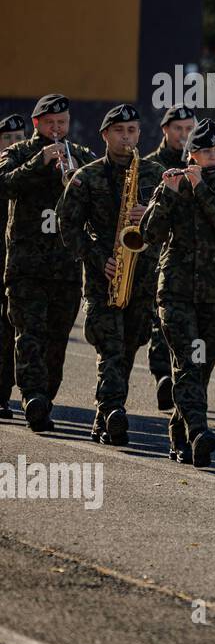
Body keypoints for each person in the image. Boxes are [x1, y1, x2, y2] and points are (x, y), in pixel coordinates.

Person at [140, 118, 215, 467]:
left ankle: (179, 432)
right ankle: (200, 430)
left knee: (199, 368)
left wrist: (201, 188)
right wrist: (169, 196)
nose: (214, 157)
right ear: (192, 154)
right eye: (205, 152)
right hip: (176, 293)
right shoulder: (172, 186)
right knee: (189, 361)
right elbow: (150, 234)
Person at [57, 104, 164, 444]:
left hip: (142, 277)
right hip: (104, 276)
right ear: (105, 135)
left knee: (129, 346)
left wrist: (149, 213)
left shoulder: (154, 174)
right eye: (120, 131)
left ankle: (104, 417)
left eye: (132, 131)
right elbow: (68, 225)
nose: (127, 137)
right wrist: (96, 257)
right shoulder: (85, 177)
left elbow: (171, 223)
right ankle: (114, 409)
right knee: (111, 347)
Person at [0, 93, 96, 432]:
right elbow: (4, 184)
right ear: (37, 123)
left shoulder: (81, 156)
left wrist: (77, 181)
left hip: (66, 267)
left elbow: (100, 196)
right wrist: (38, 163)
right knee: (29, 334)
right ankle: (32, 396)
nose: (57, 129)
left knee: (56, 339)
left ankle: (46, 396)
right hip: (26, 266)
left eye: (63, 123)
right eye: (50, 123)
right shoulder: (19, 153)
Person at [145, 104, 198, 412]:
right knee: (158, 321)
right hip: (153, 252)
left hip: (184, 259)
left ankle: (175, 377)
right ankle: (163, 374)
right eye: (178, 129)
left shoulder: (198, 164)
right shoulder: (151, 165)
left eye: (189, 129)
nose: (184, 135)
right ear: (165, 130)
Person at [0, 113, 28, 419]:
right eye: (7, 138)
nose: (13, 143)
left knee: (10, 332)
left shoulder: (27, 176)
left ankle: (4, 394)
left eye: (18, 138)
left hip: (16, 264)